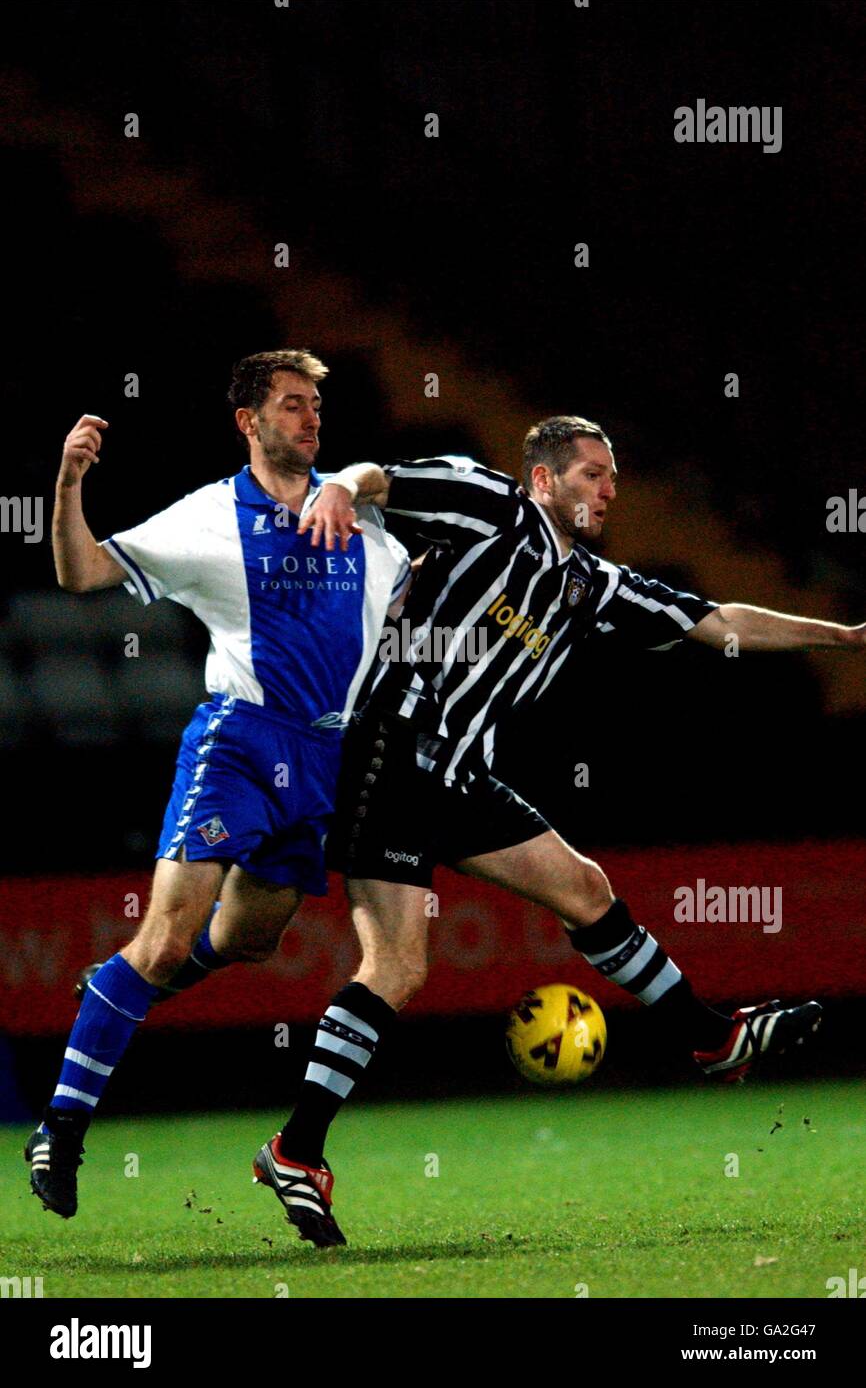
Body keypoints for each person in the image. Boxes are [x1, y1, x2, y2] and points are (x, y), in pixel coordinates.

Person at [249, 414, 863, 1246]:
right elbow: (379, 479)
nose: (609, 489)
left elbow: (718, 623)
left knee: (586, 889)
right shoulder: (489, 502)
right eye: (591, 474)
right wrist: (337, 489)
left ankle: (713, 1039)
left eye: (613, 477)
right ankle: (297, 1148)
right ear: (544, 479)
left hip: (460, 775)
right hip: (393, 749)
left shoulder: (593, 585)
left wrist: (844, 637)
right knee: (396, 963)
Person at [26, 349, 410, 1232]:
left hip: (321, 759)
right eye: (291, 405)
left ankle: (116, 989)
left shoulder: (362, 523)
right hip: (238, 742)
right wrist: (69, 481)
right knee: (162, 942)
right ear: (249, 421)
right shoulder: (210, 516)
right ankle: (61, 1128)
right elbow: (80, 573)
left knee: (247, 939)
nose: (311, 418)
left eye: (316, 405)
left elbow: (410, 578)